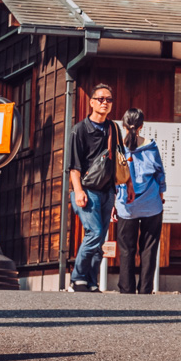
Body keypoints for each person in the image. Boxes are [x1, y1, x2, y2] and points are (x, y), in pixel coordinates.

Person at [66, 84, 118, 292]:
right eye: (101, 99)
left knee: (99, 238)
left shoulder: (113, 128)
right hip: (87, 190)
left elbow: (120, 161)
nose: (104, 103)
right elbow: (73, 166)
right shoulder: (79, 130)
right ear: (91, 102)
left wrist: (122, 191)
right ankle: (77, 278)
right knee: (94, 232)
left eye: (109, 100)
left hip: (108, 191)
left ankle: (91, 281)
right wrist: (78, 191)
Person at [113, 108, 166, 294]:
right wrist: (161, 194)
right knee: (149, 248)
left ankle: (126, 289)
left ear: (123, 125)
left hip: (126, 206)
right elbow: (160, 174)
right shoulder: (151, 146)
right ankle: (145, 289)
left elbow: (115, 177)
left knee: (126, 249)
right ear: (141, 126)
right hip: (152, 205)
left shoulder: (118, 148)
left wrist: (114, 201)